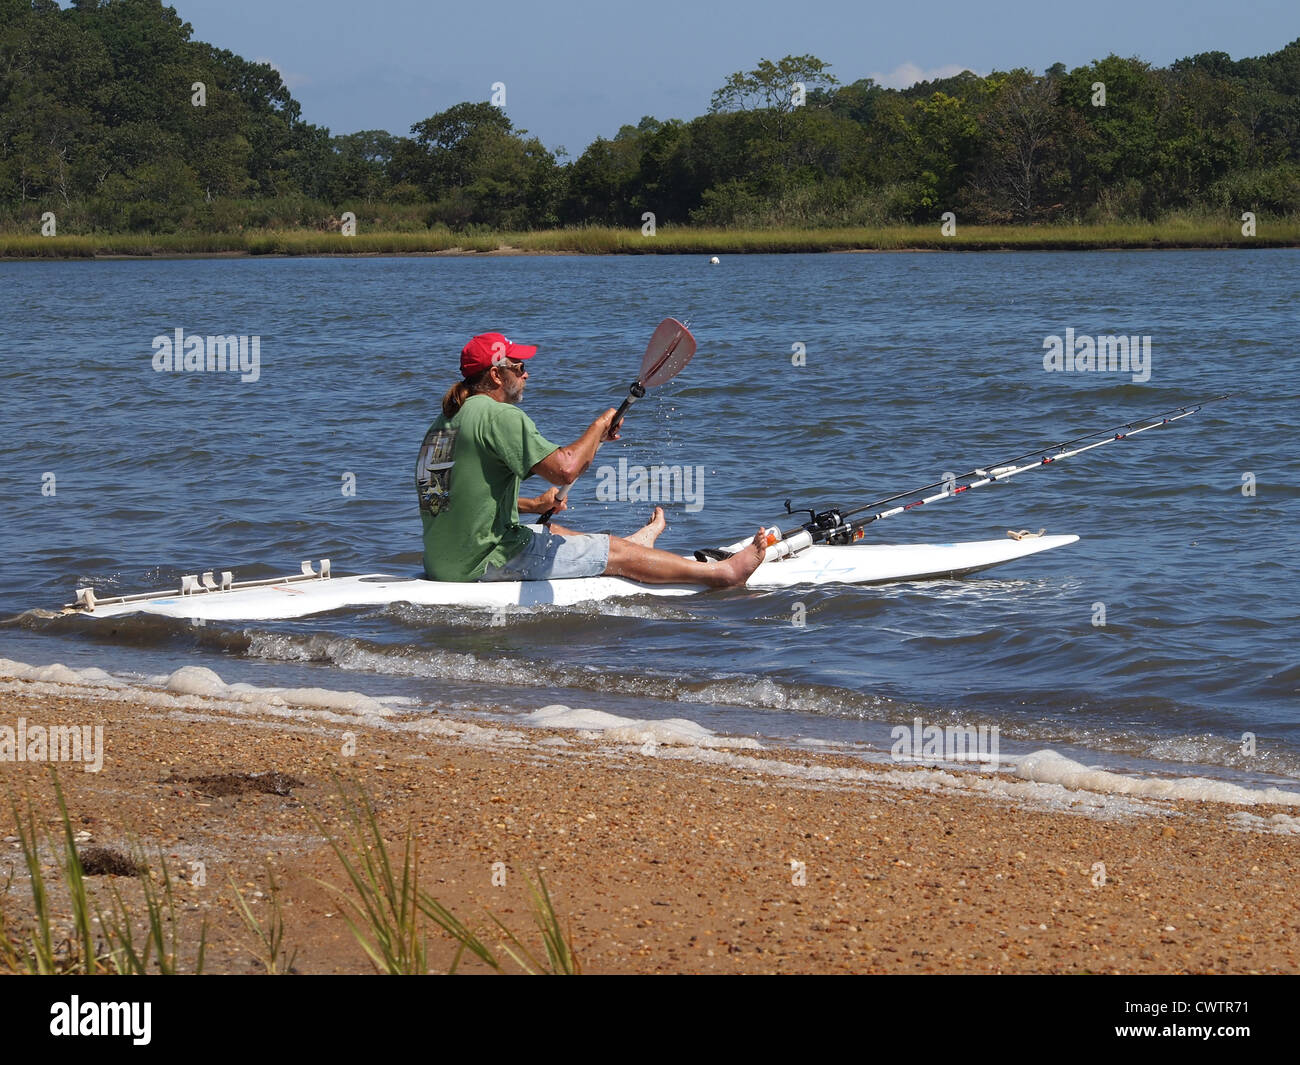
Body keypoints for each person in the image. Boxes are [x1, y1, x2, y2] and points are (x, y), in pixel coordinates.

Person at [416, 332, 765, 587]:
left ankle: (636, 546)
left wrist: (533, 504)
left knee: (556, 531)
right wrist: (598, 425)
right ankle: (722, 574)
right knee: (613, 553)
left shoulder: (444, 422)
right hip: (482, 561)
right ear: (495, 375)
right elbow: (565, 468)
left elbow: (444, 498)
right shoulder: (499, 416)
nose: (526, 374)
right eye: (519, 366)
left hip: (442, 560)